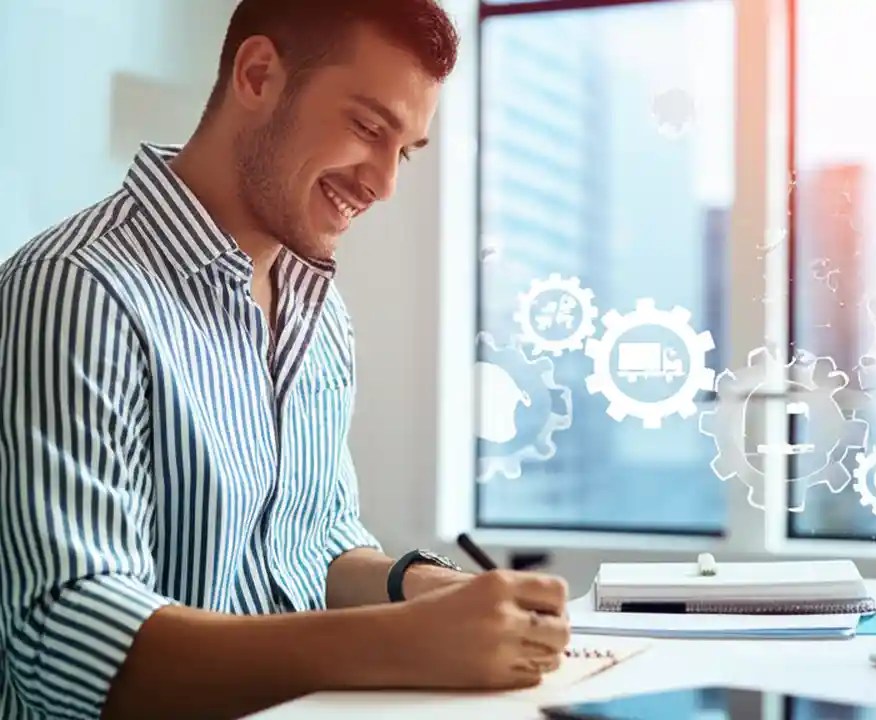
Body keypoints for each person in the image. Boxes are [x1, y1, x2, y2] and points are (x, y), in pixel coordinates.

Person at [0, 2, 571, 718]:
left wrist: (435, 591)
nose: (384, 183)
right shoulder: (77, 289)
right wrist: (403, 643)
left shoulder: (320, 313)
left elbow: (315, 547)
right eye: (369, 128)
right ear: (259, 74)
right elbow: (70, 646)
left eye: (406, 150)